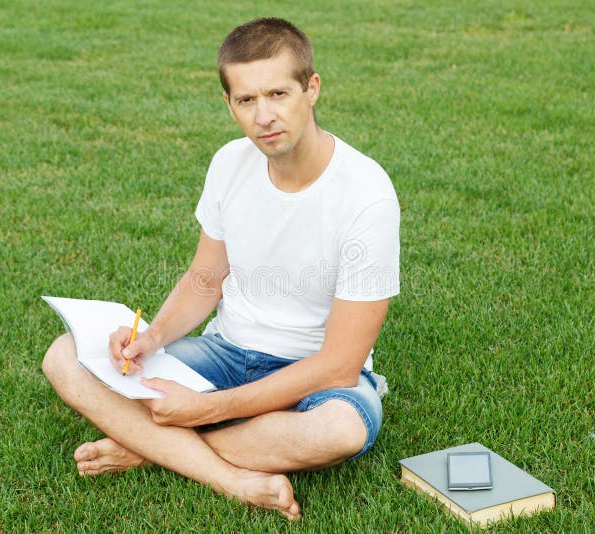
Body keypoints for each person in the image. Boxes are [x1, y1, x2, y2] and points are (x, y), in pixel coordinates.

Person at [42, 17, 399, 520]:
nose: (264, 116)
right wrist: (154, 336)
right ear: (228, 104)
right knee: (63, 356)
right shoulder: (230, 164)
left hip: (316, 377)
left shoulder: (367, 195)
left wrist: (204, 410)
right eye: (246, 100)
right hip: (226, 354)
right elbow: (205, 280)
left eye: (278, 93)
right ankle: (229, 477)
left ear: (311, 89)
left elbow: (339, 364)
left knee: (340, 430)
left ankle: (147, 448)